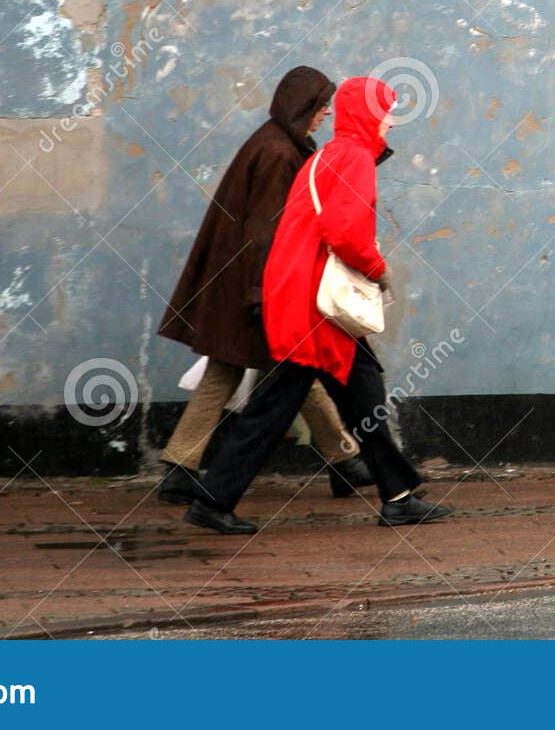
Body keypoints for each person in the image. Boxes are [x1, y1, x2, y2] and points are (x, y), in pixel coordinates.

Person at [188, 75, 453, 534]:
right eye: (386, 112)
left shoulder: (326, 155)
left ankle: (398, 495)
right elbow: (345, 233)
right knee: (275, 408)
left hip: (300, 300)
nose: (391, 121)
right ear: (367, 115)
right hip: (317, 310)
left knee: (361, 393)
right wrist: (378, 268)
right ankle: (213, 501)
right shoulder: (354, 159)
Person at [156, 65, 374, 503]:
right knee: (295, 366)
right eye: (322, 105)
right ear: (303, 106)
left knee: (246, 368)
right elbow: (266, 231)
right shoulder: (279, 154)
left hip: (241, 281)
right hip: (256, 284)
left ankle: (181, 466)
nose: (327, 114)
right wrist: (263, 293)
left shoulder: (273, 142)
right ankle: (344, 460)